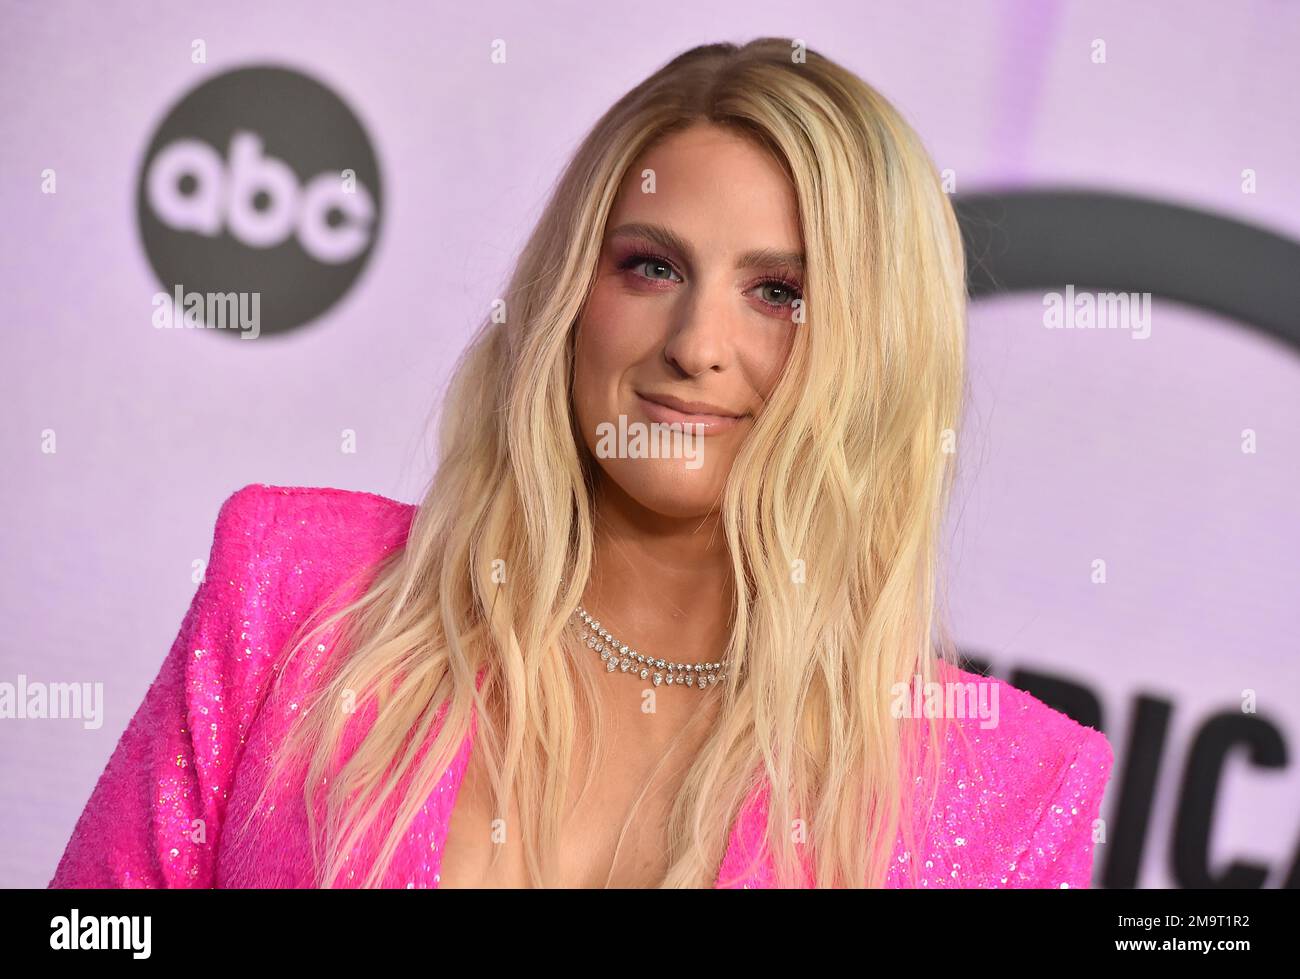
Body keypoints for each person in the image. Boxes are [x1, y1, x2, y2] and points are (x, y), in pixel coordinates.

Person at [49, 37, 1112, 889]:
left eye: (780, 292)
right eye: (650, 266)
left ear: (879, 355)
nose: (696, 344)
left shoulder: (1011, 795)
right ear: (567, 296)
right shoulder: (294, 590)